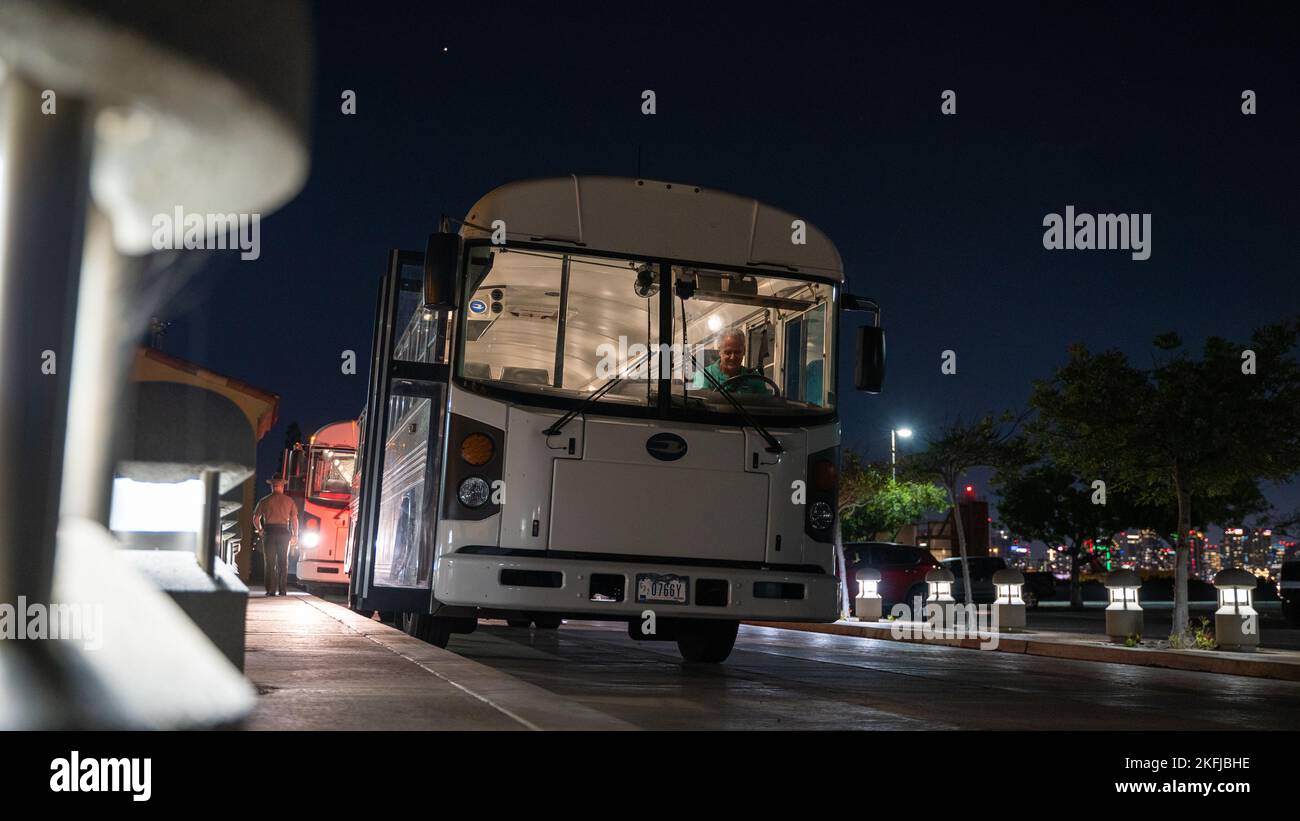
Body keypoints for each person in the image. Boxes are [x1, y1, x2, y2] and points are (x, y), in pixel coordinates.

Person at [252, 472, 298, 597]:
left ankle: (270, 590)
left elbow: (255, 518)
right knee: (283, 562)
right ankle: (282, 590)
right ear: (283, 486)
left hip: (269, 533)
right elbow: (294, 520)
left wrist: (261, 530)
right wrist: (295, 535)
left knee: (270, 563)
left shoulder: (264, 500)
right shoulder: (290, 501)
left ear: (272, 486)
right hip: (284, 533)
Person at [692, 328, 768, 393]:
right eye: (728, 352)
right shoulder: (704, 376)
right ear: (720, 352)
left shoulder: (754, 378)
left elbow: (765, 407)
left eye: (737, 352)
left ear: (744, 351)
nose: (733, 357)